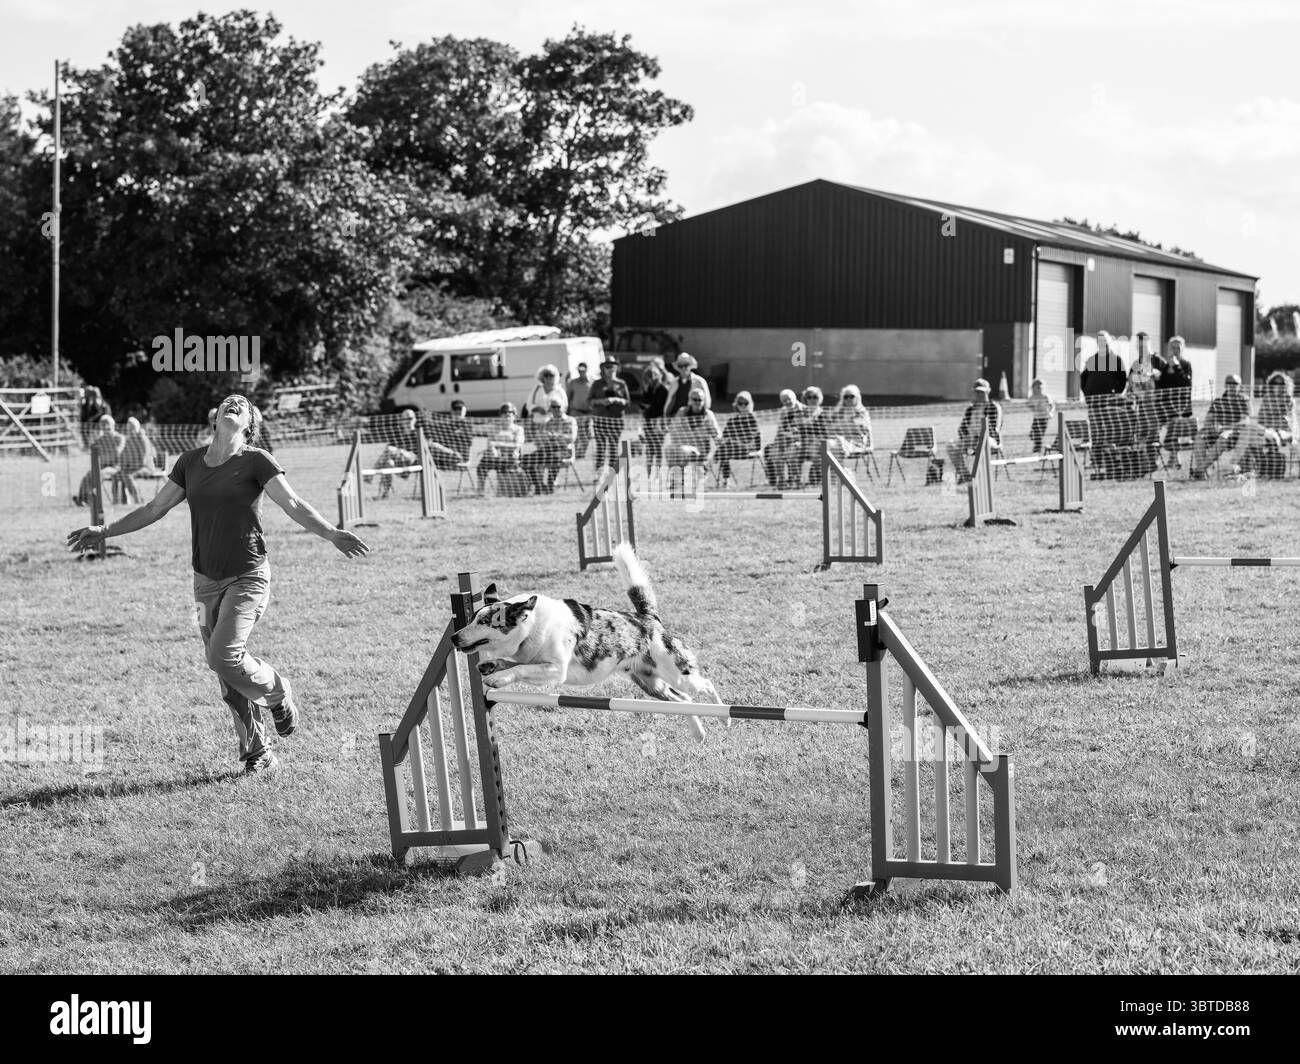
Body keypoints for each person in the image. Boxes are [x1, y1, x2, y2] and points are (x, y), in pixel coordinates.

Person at [66, 394, 370, 773]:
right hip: (204, 581)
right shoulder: (190, 463)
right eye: (229, 401)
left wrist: (331, 533)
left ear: (249, 425)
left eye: (242, 404)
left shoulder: (257, 460)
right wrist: (106, 531)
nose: (235, 403)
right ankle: (258, 753)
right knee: (226, 672)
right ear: (215, 420)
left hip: (249, 576)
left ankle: (278, 690)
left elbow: (292, 504)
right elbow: (154, 508)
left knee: (223, 655)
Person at [1190, 374, 1251, 479]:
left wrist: (1225, 427)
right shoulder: (1218, 402)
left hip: (1235, 434)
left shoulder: (1243, 401)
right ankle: (1202, 475)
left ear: (1240, 386)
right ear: (1225, 385)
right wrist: (1211, 427)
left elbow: (1245, 421)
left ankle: (1199, 470)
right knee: (1199, 438)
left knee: (1223, 437)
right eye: (1229, 383)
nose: (1232, 386)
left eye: (1235, 384)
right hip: (1216, 432)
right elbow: (1208, 420)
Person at [663, 388, 720, 496]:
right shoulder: (682, 412)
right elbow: (674, 429)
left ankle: (681, 479)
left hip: (701, 449)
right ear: (690, 400)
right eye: (695, 399)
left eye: (700, 400)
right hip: (684, 446)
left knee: (682, 451)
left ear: (704, 401)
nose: (697, 402)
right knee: (669, 449)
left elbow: (716, 433)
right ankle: (676, 478)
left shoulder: (708, 415)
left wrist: (717, 438)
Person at [945, 379, 1003, 484]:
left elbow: (995, 429)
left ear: (988, 391)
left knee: (985, 443)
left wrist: (979, 437)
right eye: (977, 392)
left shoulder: (994, 407)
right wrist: (966, 437)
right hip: (969, 440)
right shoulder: (970, 409)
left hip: (989, 440)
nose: (979, 394)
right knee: (951, 445)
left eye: (982, 392)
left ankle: (980, 477)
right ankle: (965, 475)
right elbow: (961, 429)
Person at [524, 399, 578, 493]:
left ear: (564, 408)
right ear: (550, 409)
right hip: (547, 449)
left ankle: (550, 485)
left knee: (555, 456)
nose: (556, 409)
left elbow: (571, 438)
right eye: (553, 407)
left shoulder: (570, 420)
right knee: (526, 459)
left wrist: (554, 435)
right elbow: (541, 438)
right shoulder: (548, 422)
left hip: (564, 451)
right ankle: (539, 486)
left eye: (558, 406)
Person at [588, 357, 630, 472]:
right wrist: (601, 401)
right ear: (603, 369)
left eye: (612, 366)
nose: (610, 369)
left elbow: (627, 402)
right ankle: (599, 472)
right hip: (600, 419)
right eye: (607, 367)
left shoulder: (621, 384)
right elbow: (590, 401)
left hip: (616, 419)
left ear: (616, 368)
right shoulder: (597, 384)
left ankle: (613, 472)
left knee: (613, 446)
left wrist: (615, 400)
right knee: (601, 447)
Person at [74, 415, 125, 506]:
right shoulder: (99, 440)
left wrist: (105, 455)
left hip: (115, 467)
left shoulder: (119, 438)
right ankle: (82, 499)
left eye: (107, 424)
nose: (105, 427)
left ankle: (91, 499)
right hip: (101, 466)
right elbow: (92, 452)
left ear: (113, 425)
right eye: (103, 425)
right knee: (87, 476)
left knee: (99, 474)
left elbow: (116, 453)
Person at [476, 404, 526, 494]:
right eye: (504, 412)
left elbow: (518, 444)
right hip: (495, 457)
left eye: (510, 412)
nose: (507, 414)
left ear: (514, 415)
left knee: (507, 465)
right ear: (500, 415)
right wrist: (494, 448)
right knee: (482, 465)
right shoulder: (494, 428)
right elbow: (490, 443)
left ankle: (503, 490)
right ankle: (480, 491)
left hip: (511, 457)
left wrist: (498, 444)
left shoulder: (518, 429)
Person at [822, 384, 872, 470]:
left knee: (833, 447)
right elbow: (830, 428)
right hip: (838, 440)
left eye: (851, 396)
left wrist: (842, 428)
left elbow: (862, 430)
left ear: (857, 398)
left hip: (857, 444)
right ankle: (834, 474)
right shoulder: (838, 412)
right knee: (827, 444)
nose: (848, 399)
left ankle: (839, 474)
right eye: (846, 397)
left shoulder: (861, 412)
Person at [716, 391, 760, 487]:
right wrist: (721, 439)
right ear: (736, 404)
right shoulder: (732, 421)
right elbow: (725, 436)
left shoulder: (752, 420)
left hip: (748, 449)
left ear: (750, 404)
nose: (743, 406)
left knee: (725, 448)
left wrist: (732, 440)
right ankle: (726, 480)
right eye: (740, 403)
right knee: (724, 450)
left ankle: (710, 463)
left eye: (746, 403)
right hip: (732, 449)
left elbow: (750, 439)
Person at [764, 389, 804, 489]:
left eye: (789, 399)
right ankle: (781, 480)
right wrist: (778, 443)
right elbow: (780, 431)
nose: (787, 402)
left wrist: (794, 436)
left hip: (800, 442)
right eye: (784, 401)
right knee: (775, 452)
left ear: (794, 398)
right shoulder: (783, 411)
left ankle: (796, 480)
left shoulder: (803, 410)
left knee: (791, 451)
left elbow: (805, 431)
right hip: (785, 441)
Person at [1155, 335, 1194, 433]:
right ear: (1169, 349)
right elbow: (1161, 388)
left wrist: (1177, 367)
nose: (1175, 350)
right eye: (1173, 348)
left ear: (1182, 349)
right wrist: (1157, 379)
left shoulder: (1186, 365)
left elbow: (1187, 383)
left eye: (1178, 348)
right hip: (1167, 410)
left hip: (1182, 409)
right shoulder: (1165, 367)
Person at [639, 363, 670, 479]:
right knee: (649, 448)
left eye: (654, 376)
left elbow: (664, 407)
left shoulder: (664, 390)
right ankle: (648, 473)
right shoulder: (647, 389)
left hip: (659, 422)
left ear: (659, 376)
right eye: (649, 376)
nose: (652, 378)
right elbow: (642, 404)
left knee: (658, 448)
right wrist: (644, 407)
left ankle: (658, 473)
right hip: (648, 421)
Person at [115, 417, 156, 505]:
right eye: (128, 428)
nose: (129, 430)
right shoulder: (128, 440)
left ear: (136, 428)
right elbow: (124, 457)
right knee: (117, 475)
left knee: (128, 475)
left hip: (146, 468)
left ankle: (138, 500)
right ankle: (119, 501)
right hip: (132, 468)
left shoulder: (143, 439)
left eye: (132, 428)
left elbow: (143, 460)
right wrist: (123, 466)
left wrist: (129, 468)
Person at [795, 386, 829, 485]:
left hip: (818, 444)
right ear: (805, 399)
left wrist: (813, 438)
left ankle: (816, 477)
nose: (812, 399)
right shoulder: (800, 413)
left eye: (815, 397)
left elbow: (826, 433)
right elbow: (798, 430)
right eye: (809, 397)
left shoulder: (824, 414)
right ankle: (795, 478)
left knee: (813, 448)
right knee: (793, 448)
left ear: (820, 398)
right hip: (802, 443)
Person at [426, 400, 473, 470]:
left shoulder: (467, 425)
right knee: (429, 445)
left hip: (461, 457)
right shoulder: (446, 424)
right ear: (451, 410)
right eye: (455, 409)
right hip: (447, 454)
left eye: (460, 409)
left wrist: (461, 419)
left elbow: (468, 442)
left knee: (434, 446)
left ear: (464, 410)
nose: (457, 411)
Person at [662, 352, 712, 419]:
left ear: (690, 366)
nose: (683, 368)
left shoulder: (699, 381)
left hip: (692, 418)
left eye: (686, 365)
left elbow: (706, 402)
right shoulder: (674, 382)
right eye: (680, 366)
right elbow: (669, 402)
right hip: (675, 418)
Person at [524, 365, 567, 440]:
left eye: (551, 375)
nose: (549, 377)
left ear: (555, 376)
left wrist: (554, 409)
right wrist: (537, 409)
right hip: (537, 423)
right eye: (546, 375)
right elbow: (529, 405)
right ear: (542, 377)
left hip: (554, 423)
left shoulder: (560, 391)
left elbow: (565, 407)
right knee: (540, 445)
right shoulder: (536, 388)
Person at [567, 362, 594, 460]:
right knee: (576, 434)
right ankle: (575, 453)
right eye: (580, 370)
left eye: (583, 369)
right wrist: (568, 411)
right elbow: (568, 397)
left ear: (586, 369)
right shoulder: (573, 383)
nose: (581, 371)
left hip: (588, 413)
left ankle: (581, 454)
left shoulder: (591, 381)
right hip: (575, 412)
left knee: (587, 435)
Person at [1027, 378, 1056, 453]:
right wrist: (1033, 408)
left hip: (1044, 418)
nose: (1039, 389)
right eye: (1037, 387)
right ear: (1033, 388)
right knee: (1033, 433)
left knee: (1040, 433)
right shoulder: (1032, 397)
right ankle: (1037, 445)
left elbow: (1052, 406)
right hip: (1036, 418)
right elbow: (1029, 405)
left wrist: (1051, 413)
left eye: (1041, 387)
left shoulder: (1046, 396)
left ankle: (1037, 448)